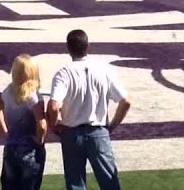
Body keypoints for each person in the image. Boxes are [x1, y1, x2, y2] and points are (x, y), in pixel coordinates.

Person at [47, 29, 131, 190]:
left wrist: (54, 124)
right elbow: (125, 101)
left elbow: (53, 105)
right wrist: (111, 126)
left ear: (68, 48)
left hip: (71, 134)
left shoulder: (64, 73)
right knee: (109, 183)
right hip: (98, 132)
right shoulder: (104, 70)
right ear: (88, 46)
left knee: (75, 183)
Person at [0, 54, 47, 190]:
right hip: (29, 149)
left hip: (11, 147)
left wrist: (5, 132)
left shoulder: (8, 92)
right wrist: (39, 143)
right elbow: (42, 125)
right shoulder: (32, 96)